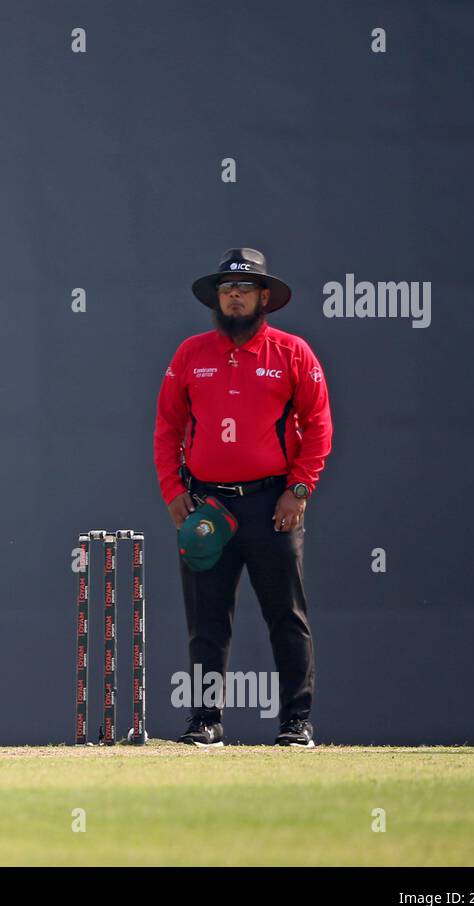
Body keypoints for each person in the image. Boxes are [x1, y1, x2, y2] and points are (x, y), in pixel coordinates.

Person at [153, 249, 333, 747]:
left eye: (246, 287)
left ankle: (297, 722)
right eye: (227, 288)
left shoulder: (293, 352)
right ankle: (205, 721)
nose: (235, 295)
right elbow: (167, 427)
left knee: (286, 615)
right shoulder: (191, 353)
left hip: (272, 502)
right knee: (206, 620)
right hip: (208, 506)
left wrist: (298, 491)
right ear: (217, 297)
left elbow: (318, 426)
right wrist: (173, 491)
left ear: (264, 298)